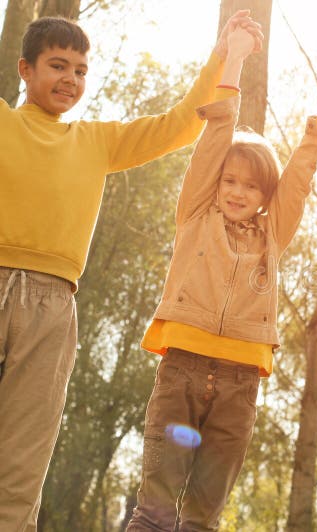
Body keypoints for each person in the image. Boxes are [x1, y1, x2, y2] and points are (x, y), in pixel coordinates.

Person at [0, 11, 263, 530]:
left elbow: (183, 122)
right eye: (57, 66)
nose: (70, 79)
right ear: (25, 70)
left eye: (79, 70)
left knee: (22, 460)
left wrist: (225, 54)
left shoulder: (96, 141)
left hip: (53, 305)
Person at [124, 30, 317, 532]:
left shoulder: (271, 235)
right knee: (153, 511)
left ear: (266, 195)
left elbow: (303, 165)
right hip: (182, 369)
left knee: (203, 516)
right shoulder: (196, 214)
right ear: (215, 183)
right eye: (229, 180)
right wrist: (235, 58)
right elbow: (217, 133)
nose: (238, 192)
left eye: (252, 185)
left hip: (240, 384)